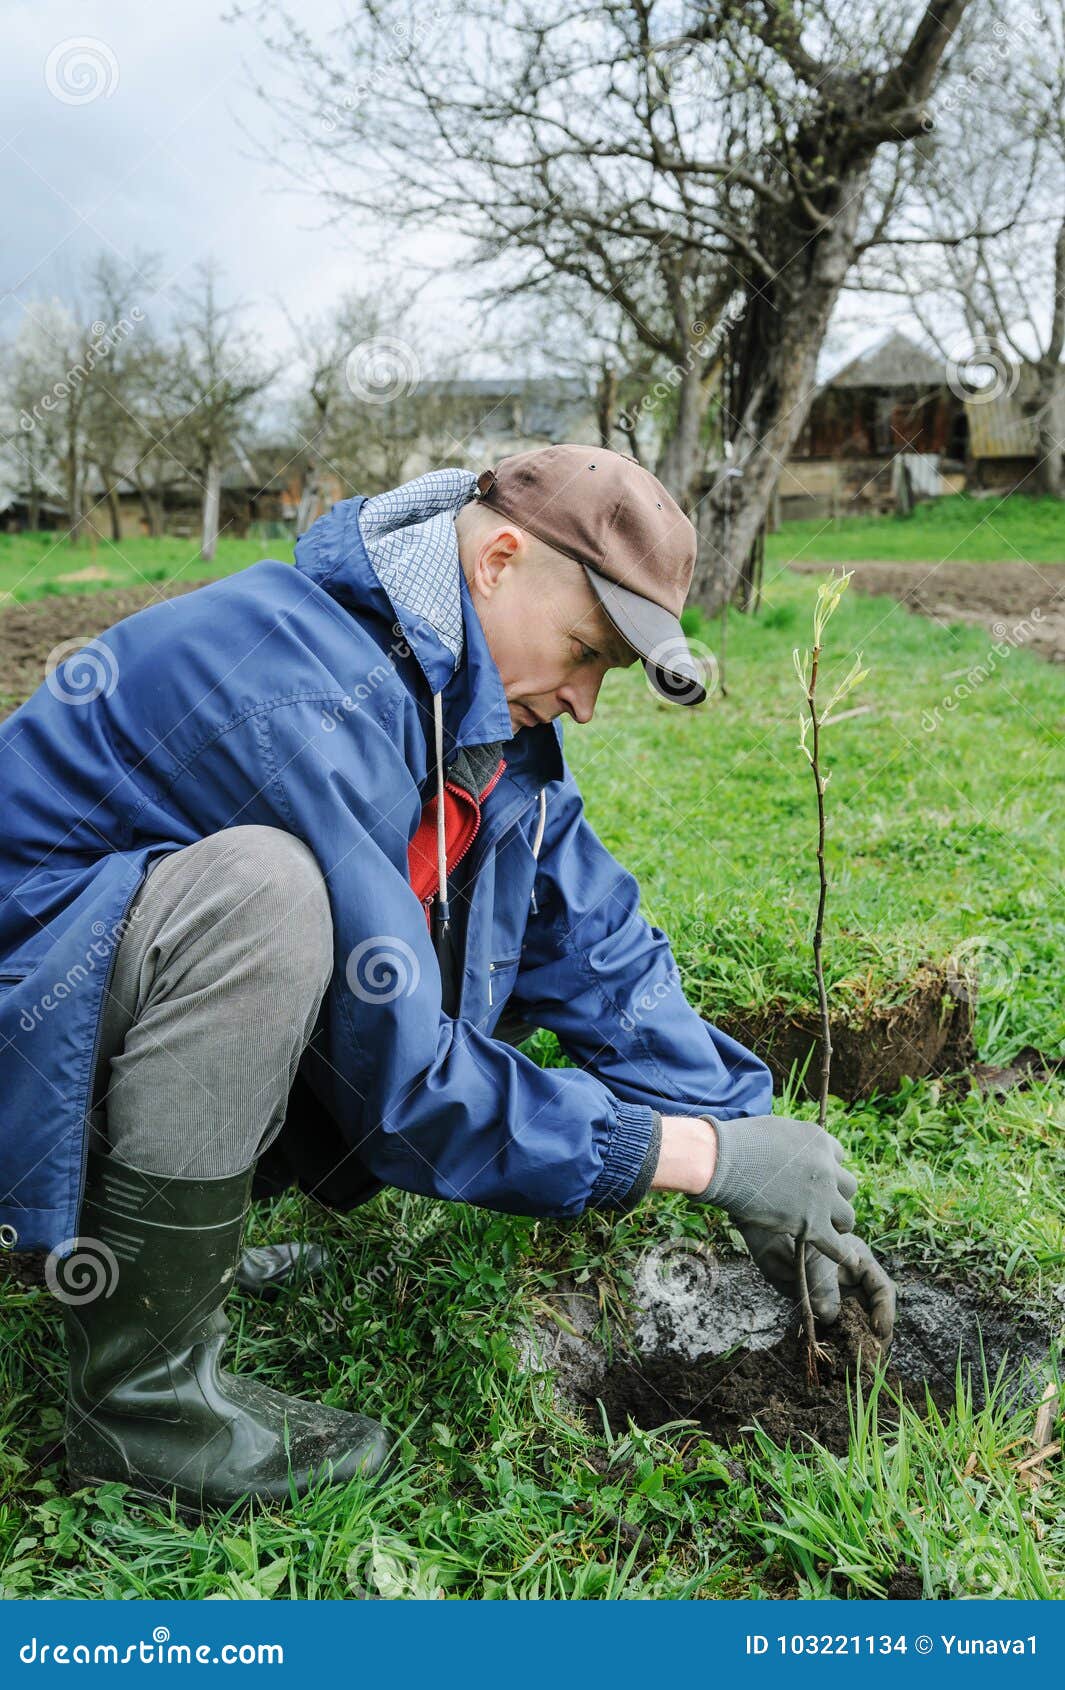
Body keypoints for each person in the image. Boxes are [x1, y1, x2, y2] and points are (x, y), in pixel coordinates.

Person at [0, 445, 895, 1514]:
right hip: (29, 1047)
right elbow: (402, 1077)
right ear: (496, 561)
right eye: (586, 652)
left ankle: (176, 1254)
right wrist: (701, 1159)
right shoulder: (296, 686)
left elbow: (594, 943)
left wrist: (751, 1138)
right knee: (267, 898)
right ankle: (144, 1411)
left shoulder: (471, 717)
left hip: (93, 1033)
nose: (586, 701)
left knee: (323, 918)